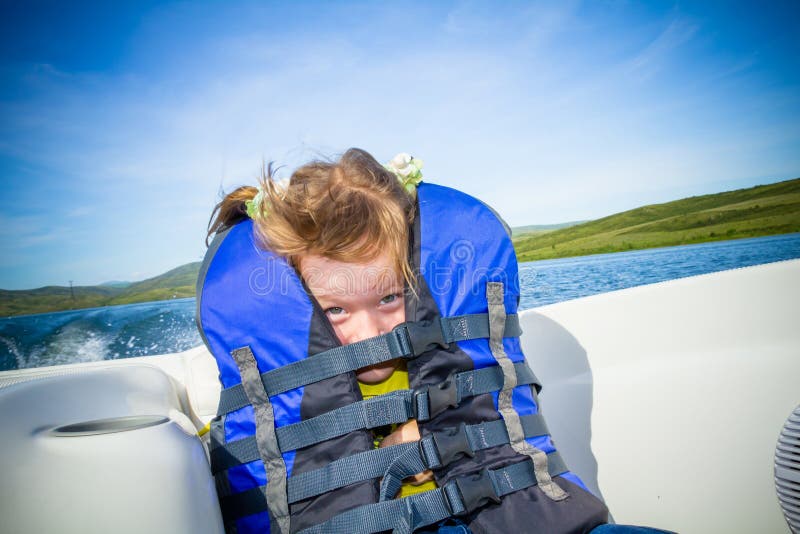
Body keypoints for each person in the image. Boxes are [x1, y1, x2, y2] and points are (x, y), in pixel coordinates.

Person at [203, 148, 671, 534]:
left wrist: (430, 437)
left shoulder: (447, 354)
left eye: (388, 298)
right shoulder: (285, 389)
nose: (371, 334)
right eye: (337, 310)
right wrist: (392, 452)